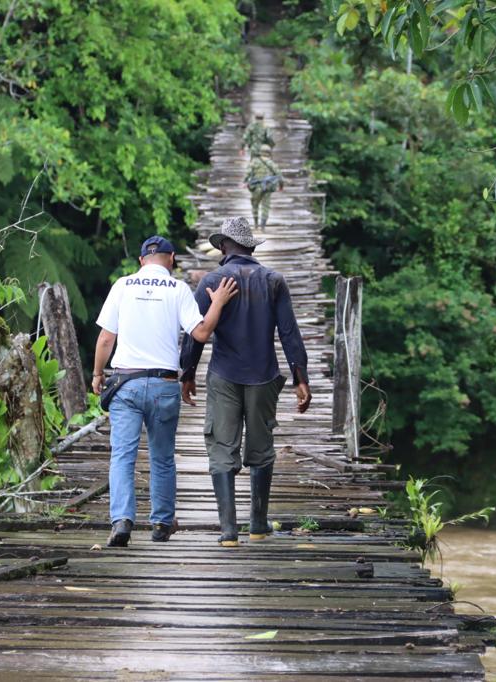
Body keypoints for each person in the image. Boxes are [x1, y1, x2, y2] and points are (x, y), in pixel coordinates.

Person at [92, 236, 238, 547]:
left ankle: (122, 521)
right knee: (162, 457)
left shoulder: (122, 285)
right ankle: (160, 522)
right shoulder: (179, 289)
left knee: (122, 456)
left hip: (125, 382)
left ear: (142, 260)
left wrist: (96, 374)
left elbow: (106, 338)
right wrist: (219, 303)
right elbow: (200, 333)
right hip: (164, 385)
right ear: (171, 259)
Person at [179, 217, 312, 547]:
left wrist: (188, 373)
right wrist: (301, 377)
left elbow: (195, 335)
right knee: (261, 447)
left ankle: (228, 531)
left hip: (224, 374)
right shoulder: (273, 281)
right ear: (250, 247)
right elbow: (289, 332)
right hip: (264, 375)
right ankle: (257, 524)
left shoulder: (212, 280)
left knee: (221, 446)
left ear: (223, 246)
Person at [245, 147, 283, 231]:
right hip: (267, 187)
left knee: (255, 205)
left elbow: (247, 173)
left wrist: (245, 182)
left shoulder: (254, 162)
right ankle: (263, 226)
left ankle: (255, 225)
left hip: (256, 187)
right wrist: (281, 186)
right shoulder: (271, 163)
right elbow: (279, 175)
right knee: (265, 206)